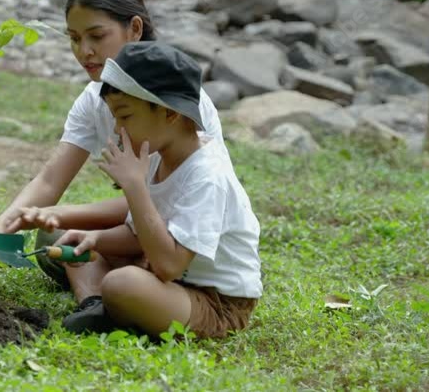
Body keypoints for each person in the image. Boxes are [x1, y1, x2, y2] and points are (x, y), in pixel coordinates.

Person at [0, 0, 229, 287]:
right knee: (53, 233)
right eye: (74, 38)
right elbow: (50, 178)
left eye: (97, 36)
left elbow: (167, 202)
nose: (85, 51)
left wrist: (66, 212)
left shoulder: (177, 103)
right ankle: (104, 296)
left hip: (177, 233)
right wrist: (0, 229)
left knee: (66, 230)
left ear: (135, 29)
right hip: (140, 222)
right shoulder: (93, 99)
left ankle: (130, 283)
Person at [13, 42, 261, 338]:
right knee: (66, 236)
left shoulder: (207, 175)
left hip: (214, 301)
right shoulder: (159, 156)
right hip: (162, 274)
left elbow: (169, 265)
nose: (117, 128)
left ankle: (113, 302)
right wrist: (96, 239)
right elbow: (136, 236)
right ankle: (94, 306)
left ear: (170, 114)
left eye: (125, 116)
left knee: (122, 284)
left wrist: (134, 185)